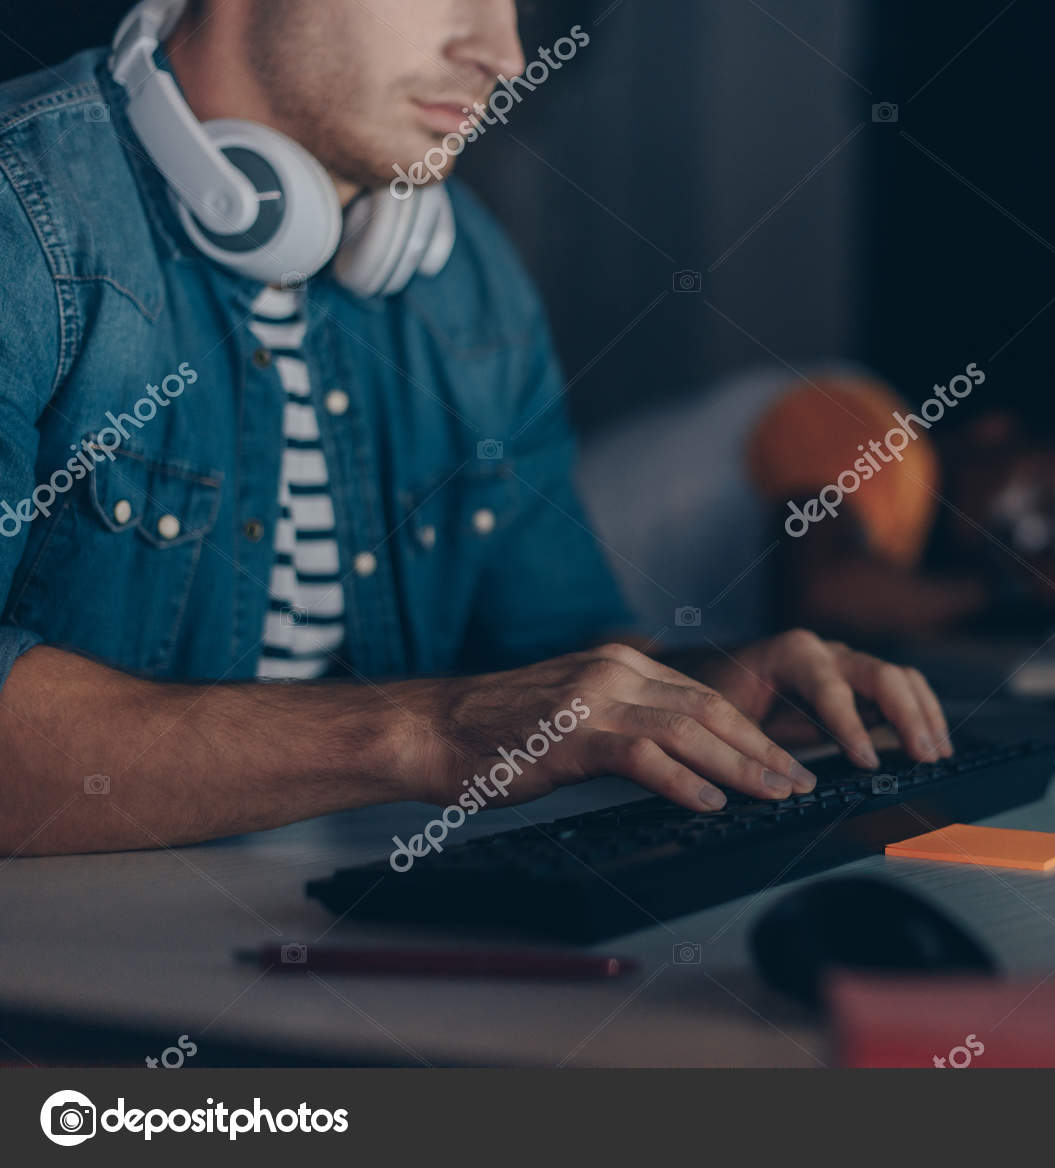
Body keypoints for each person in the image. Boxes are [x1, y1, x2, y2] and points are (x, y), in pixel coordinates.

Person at [0, 0, 952, 857]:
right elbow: (466, 720)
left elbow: (552, 646)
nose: (503, 52)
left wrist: (704, 693)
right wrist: (427, 731)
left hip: (349, 964)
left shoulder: (472, 281)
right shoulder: (23, 221)